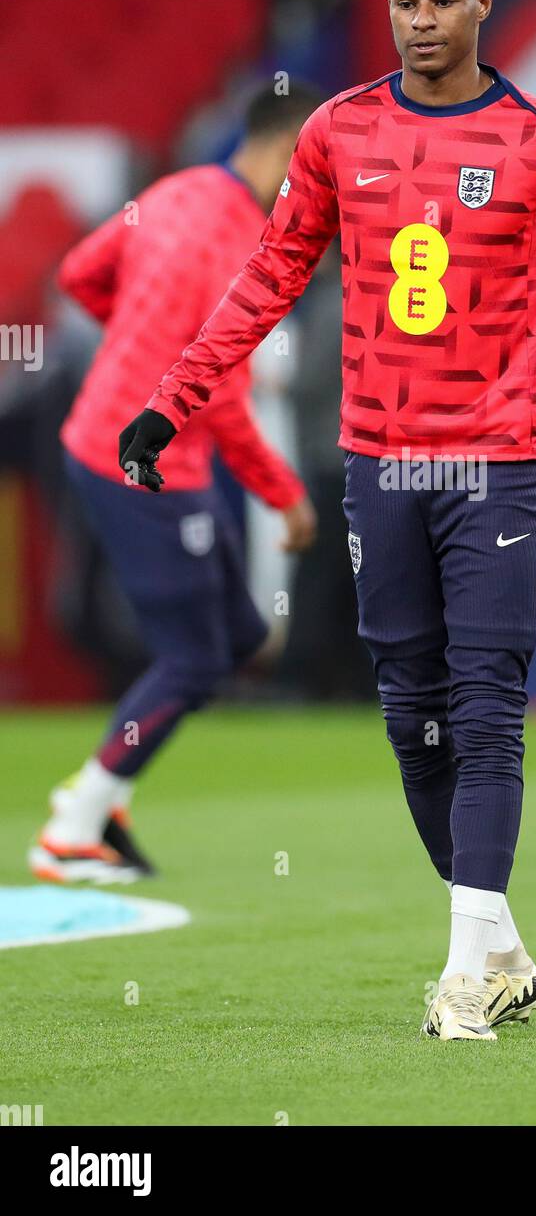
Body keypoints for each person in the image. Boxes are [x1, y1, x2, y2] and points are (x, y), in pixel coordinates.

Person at [118, 0, 536, 1040]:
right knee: (411, 716)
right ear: (389, 6)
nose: (421, 18)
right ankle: (498, 947)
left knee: (486, 703)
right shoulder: (336, 131)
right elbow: (266, 277)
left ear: (482, 4)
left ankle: (462, 980)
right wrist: (173, 395)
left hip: (493, 461)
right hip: (379, 463)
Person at [29, 83, 321, 885]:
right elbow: (223, 398)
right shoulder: (237, 246)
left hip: (108, 441)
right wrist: (283, 493)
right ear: (289, 149)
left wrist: (134, 325)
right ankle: (74, 822)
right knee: (197, 657)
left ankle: (106, 795)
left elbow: (78, 271)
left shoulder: (172, 191)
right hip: (144, 467)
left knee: (233, 638)